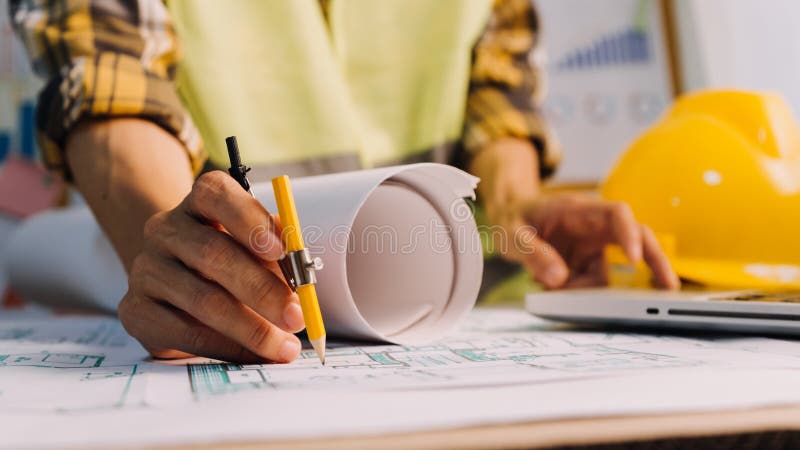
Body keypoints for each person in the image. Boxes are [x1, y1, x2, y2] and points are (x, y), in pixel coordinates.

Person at [9, 0, 678, 364]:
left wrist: (515, 208)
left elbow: (497, 83)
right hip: (241, 302)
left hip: (456, 314)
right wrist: (175, 246)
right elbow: (104, 79)